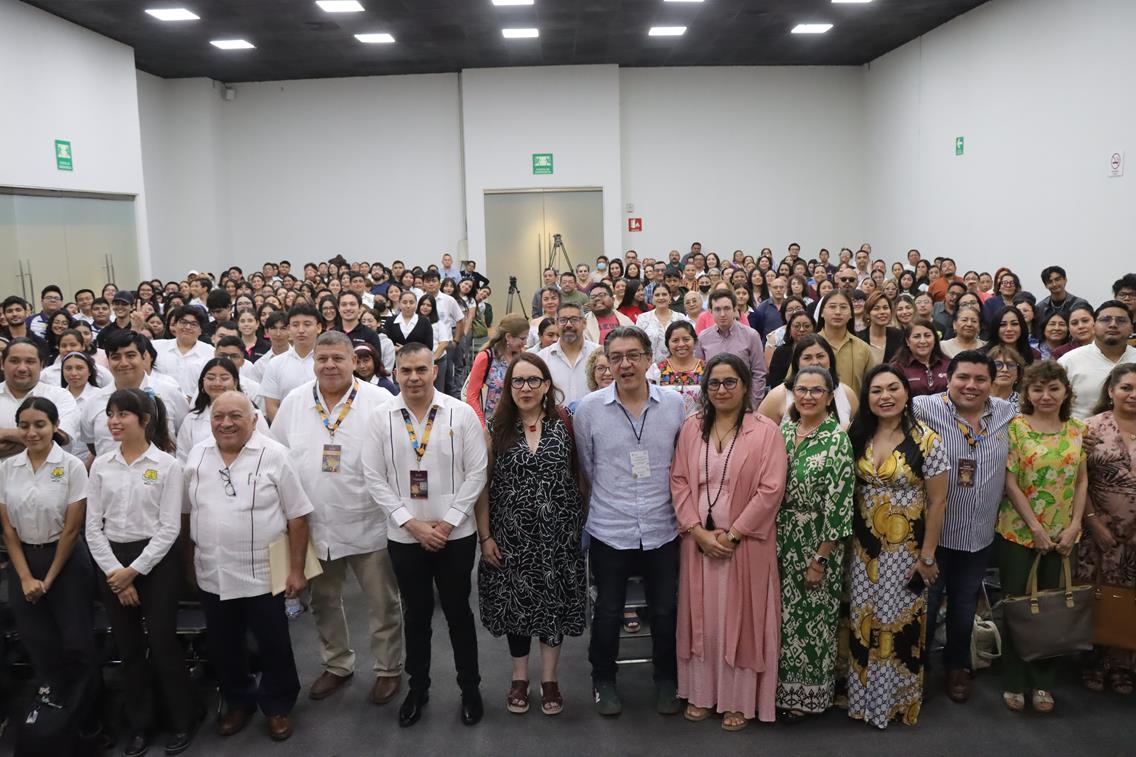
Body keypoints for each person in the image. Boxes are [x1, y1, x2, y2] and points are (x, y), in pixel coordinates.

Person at [271, 332, 405, 707]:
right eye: (322, 358)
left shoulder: (380, 402)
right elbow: (278, 461)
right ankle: (337, 664)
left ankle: (388, 669)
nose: (329, 365)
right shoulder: (295, 402)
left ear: (353, 362)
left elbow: (399, 458)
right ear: (313, 362)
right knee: (325, 602)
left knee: (382, 603)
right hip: (315, 526)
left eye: (337, 358)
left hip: (370, 521)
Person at [363, 342, 488, 728]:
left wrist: (448, 523)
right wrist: (412, 524)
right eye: (406, 371)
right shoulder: (380, 416)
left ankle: (470, 688)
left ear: (434, 370)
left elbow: (477, 473)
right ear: (395, 372)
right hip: (406, 537)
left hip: (456, 536)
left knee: (458, 614)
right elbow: (373, 477)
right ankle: (418, 688)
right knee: (415, 616)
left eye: (421, 369)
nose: (414, 377)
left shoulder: (460, 412)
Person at [184, 391, 312, 741]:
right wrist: (188, 564)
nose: (226, 423)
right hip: (213, 570)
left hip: (264, 571)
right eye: (218, 416)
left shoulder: (275, 455)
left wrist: (297, 570)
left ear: (254, 419)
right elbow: (186, 514)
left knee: (274, 644)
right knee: (224, 645)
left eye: (235, 416)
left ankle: (278, 704)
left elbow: (298, 516)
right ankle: (239, 700)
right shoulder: (197, 455)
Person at [573, 326, 687, 716]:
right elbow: (587, 469)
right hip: (610, 527)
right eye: (616, 357)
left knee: (665, 610)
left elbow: (680, 463)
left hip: (661, 526)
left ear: (648, 359)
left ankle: (666, 679)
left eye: (633, 355)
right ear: (606, 362)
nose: (625, 364)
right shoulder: (589, 410)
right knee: (607, 611)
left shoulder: (673, 405)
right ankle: (603, 680)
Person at [670, 353, 787, 729]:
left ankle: (739, 700)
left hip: (747, 544)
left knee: (742, 621)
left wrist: (733, 534)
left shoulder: (765, 430)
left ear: (745, 386)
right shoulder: (691, 427)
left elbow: (771, 490)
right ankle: (702, 694)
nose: (721, 389)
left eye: (729, 382)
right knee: (701, 622)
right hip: (698, 543)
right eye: (714, 383)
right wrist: (697, 531)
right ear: (705, 388)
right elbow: (679, 481)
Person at [86, 388, 200, 754]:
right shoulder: (101, 465)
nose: (114, 421)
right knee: (129, 648)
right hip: (112, 562)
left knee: (164, 644)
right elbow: (93, 528)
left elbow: (170, 528)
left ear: (145, 420)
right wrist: (117, 575)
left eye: (123, 414)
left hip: (156, 560)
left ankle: (181, 720)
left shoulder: (167, 465)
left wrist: (133, 571)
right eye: (111, 414)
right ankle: (140, 724)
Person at [476, 353, 586, 716]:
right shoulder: (495, 429)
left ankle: (550, 679)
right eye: (517, 381)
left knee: (553, 608)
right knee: (517, 609)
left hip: (558, 538)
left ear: (546, 385)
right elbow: (483, 487)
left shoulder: (566, 423)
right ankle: (520, 678)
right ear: (508, 387)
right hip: (512, 539)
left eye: (533, 380)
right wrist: (486, 536)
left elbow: (580, 476)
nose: (525, 388)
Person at [846, 365, 949, 728]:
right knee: (862, 620)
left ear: (907, 394)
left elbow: (938, 503)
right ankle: (861, 701)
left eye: (893, 389)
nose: (885, 396)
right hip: (862, 549)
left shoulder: (928, 441)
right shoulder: (857, 434)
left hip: (905, 549)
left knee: (894, 624)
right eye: (876, 390)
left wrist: (927, 556)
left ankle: (893, 703)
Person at [913, 350, 1015, 703]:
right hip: (934, 532)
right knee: (924, 603)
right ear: (948, 377)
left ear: (991, 382)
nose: (971, 386)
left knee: (963, 605)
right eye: (963, 378)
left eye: (980, 380)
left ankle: (958, 666)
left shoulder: (1006, 413)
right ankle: (917, 669)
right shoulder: (923, 408)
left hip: (979, 533)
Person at [997, 360, 1087, 714]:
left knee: (1053, 607)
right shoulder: (1016, 428)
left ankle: (1044, 683)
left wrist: (1076, 524)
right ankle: (1015, 680)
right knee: (1019, 605)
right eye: (1037, 389)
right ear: (1027, 393)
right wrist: (1034, 526)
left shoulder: (1078, 429)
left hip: (1065, 533)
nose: (1045, 396)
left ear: (1066, 391)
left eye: (1053, 388)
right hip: (1019, 532)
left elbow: (1081, 481)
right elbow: (1010, 482)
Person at [0, 398, 96, 724]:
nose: (31, 432)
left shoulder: (71, 466)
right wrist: (26, 577)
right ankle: (52, 718)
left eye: (39, 424)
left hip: (66, 562)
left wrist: (50, 579)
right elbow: (8, 530)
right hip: (24, 561)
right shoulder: (6, 468)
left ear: (55, 426)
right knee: (38, 642)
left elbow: (71, 531)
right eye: (24, 425)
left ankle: (87, 719)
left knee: (77, 642)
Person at [774, 367, 853, 722]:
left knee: (812, 622)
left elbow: (839, 508)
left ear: (829, 394)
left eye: (816, 391)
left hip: (817, 542)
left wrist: (820, 559)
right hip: (780, 538)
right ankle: (776, 690)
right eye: (802, 390)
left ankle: (806, 698)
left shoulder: (836, 439)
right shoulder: (785, 430)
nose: (808, 396)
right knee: (782, 620)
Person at [1077, 364, 1136, 695]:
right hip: (1099, 528)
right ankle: (1094, 661)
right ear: (1111, 390)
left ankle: (1123, 664)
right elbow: (1077, 480)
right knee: (1097, 594)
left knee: (1132, 598)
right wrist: (1092, 522)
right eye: (1126, 387)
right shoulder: (1089, 428)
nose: (1133, 394)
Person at [80, 331, 189, 458]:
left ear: (144, 357)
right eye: (116, 357)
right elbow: (92, 444)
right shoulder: (94, 401)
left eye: (130, 355)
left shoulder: (169, 393)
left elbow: (184, 435)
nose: (124, 363)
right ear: (108, 361)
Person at [176, 358, 268, 462]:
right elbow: (183, 458)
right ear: (203, 382)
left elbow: (266, 449)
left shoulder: (253, 415)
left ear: (235, 382)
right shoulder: (191, 419)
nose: (217, 383)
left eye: (224, 378)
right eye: (210, 378)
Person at [0, 338, 80, 458]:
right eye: (14, 361)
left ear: (42, 365)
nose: (22, 368)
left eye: (30, 361)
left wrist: (3, 434)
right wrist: (40, 438)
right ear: (2, 363)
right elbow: (49, 439)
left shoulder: (60, 396)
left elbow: (59, 438)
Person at [757, 335, 858, 429]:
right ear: (797, 363)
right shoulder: (778, 395)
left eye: (820, 356)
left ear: (830, 359)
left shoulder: (846, 393)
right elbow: (760, 434)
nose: (815, 362)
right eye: (807, 358)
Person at [1059, 301, 1136, 420]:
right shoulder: (1069, 361)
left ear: (1132, 328)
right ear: (1093, 326)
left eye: (1121, 320)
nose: (1113, 325)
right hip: (1081, 434)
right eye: (1105, 319)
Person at [696, 290, 767, 403]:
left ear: (734, 310)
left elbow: (758, 373)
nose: (722, 314)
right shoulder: (703, 338)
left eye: (727, 308)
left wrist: (753, 403)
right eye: (717, 309)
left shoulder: (751, 336)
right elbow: (700, 373)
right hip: (713, 401)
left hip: (743, 402)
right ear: (710, 311)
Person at [260, 303, 324, 422]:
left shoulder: (328, 363)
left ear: (319, 327)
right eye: (295, 325)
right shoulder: (275, 364)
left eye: (307, 324)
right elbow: (272, 406)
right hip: (286, 433)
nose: (301, 330)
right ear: (289, 329)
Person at [465, 313, 529, 425]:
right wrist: (482, 425)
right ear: (509, 337)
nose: (525, 343)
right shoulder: (486, 357)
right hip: (492, 423)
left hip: (518, 423)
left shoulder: (521, 357)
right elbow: (472, 395)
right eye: (522, 338)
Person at [536, 303, 600, 405]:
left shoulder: (599, 354)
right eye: (563, 320)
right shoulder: (541, 359)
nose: (568, 324)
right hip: (554, 419)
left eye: (574, 319)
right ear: (556, 324)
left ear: (584, 323)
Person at [816, 291, 873, 394]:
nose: (838, 312)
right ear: (821, 313)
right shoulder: (808, 346)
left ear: (851, 314)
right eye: (832, 307)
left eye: (843, 307)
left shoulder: (863, 348)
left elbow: (872, 386)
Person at [153, 306, 215, 399]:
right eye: (183, 322)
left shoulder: (211, 353)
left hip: (196, 408)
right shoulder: (157, 347)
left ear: (200, 330)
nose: (187, 327)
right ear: (175, 325)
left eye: (194, 324)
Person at [646, 321, 704, 417]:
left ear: (695, 341)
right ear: (667, 344)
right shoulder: (656, 370)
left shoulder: (706, 369)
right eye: (675, 340)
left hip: (699, 427)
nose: (681, 344)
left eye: (686, 339)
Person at [890, 318, 951, 397]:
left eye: (927, 336)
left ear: (935, 339)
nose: (923, 341)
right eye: (916, 336)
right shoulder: (897, 368)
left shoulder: (949, 365)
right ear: (907, 341)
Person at [636, 282, 692, 363]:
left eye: (664, 294)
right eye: (657, 295)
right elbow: (638, 344)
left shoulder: (680, 318)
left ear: (670, 297)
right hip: (650, 367)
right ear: (652, 298)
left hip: (677, 365)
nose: (661, 297)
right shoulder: (643, 318)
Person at [1034, 266, 1090, 334]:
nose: (1054, 284)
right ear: (1046, 285)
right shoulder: (1040, 308)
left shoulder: (1080, 304)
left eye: (1057, 279)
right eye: (1050, 281)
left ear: (1065, 280)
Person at [417, 294, 453, 392]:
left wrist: (432, 359)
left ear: (433, 308)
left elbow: (444, 343)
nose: (425, 307)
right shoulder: (414, 321)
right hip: (418, 361)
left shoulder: (438, 323)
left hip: (438, 360)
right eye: (423, 304)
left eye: (428, 305)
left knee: (437, 390)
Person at [856, 292, 904, 364]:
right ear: (868, 314)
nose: (882, 312)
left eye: (885, 308)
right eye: (876, 308)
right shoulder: (858, 339)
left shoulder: (898, 336)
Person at [385, 290, 434, 354]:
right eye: (404, 302)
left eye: (411, 302)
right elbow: (387, 345)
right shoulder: (390, 321)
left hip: (418, 360)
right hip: (396, 361)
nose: (408, 306)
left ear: (416, 304)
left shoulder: (425, 321)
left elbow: (429, 347)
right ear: (399, 304)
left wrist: (405, 349)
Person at [988, 344, 1026, 413]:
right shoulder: (977, 401)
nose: (1005, 369)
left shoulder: (1026, 405)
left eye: (1011, 365)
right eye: (998, 365)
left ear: (1018, 373)